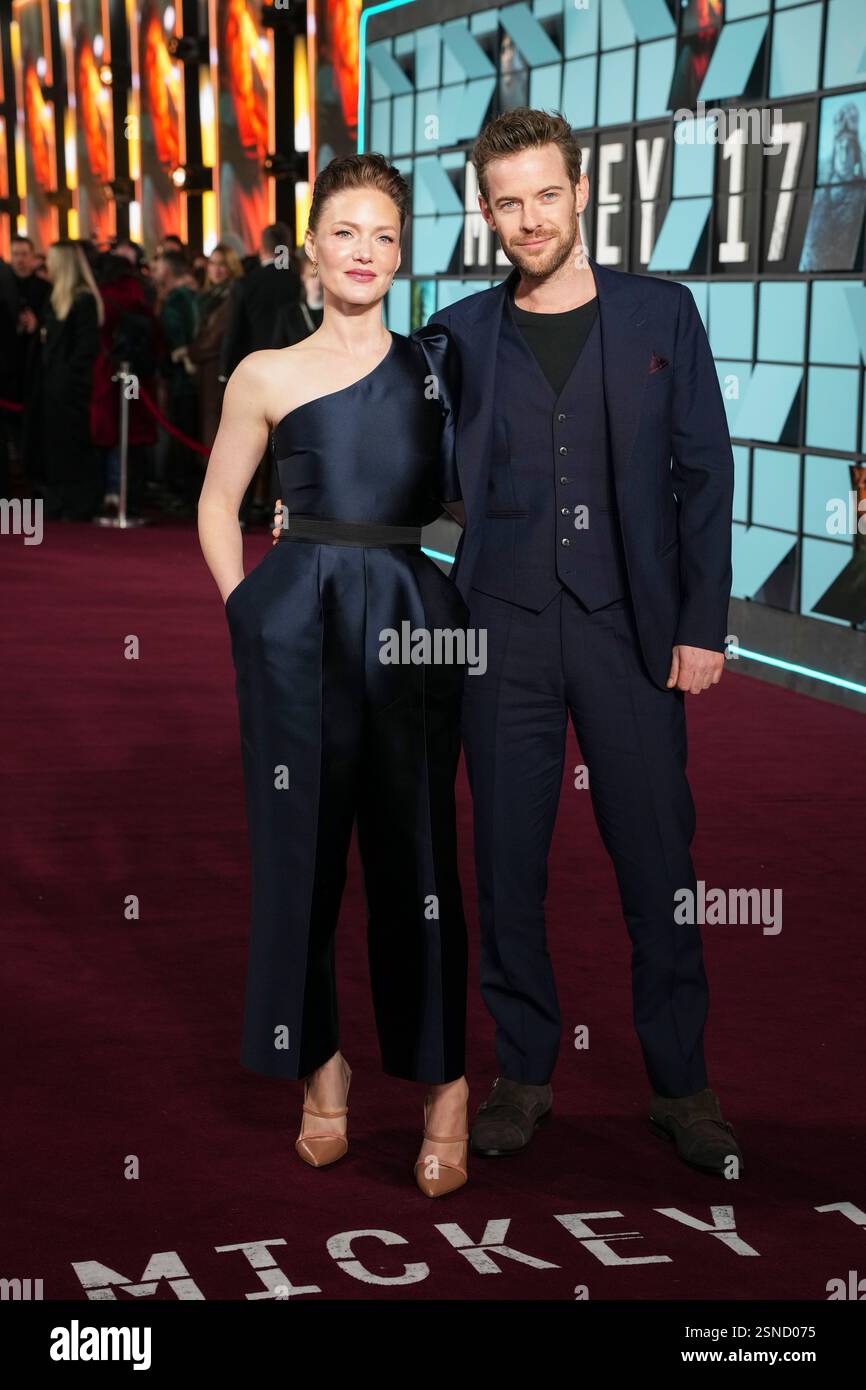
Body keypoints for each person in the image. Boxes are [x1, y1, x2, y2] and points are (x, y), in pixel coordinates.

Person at [427, 108, 741, 1177]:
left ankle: (679, 1085)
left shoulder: (663, 313)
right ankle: (522, 1073)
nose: (527, 218)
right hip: (499, 633)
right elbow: (405, 457)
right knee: (506, 862)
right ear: (486, 210)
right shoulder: (458, 332)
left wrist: (701, 625)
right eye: (506, 201)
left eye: (544, 194)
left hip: (630, 631)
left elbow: (703, 474)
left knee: (658, 857)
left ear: (580, 192)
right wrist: (314, 501)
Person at [198, 153, 471, 1198]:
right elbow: (219, 503)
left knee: (420, 863)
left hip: (411, 618)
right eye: (345, 231)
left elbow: (453, 492)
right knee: (299, 859)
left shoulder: (437, 365)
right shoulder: (263, 371)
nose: (363, 251)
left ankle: (443, 1085)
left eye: (384, 236)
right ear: (310, 246)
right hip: (294, 626)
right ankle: (322, 1073)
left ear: (401, 254)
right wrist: (244, 612)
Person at [24, 240, 103, 521]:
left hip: (69, 391)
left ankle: (77, 502)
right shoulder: (55, 297)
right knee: (53, 446)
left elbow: (86, 349)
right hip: (50, 388)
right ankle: (58, 500)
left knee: (72, 445)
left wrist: (67, 381)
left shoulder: (83, 300)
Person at [91, 251, 158, 518]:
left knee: (109, 438)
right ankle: (132, 502)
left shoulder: (102, 295)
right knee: (135, 440)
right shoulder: (142, 292)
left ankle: (109, 497)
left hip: (109, 374)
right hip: (139, 376)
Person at [152, 248, 201, 513]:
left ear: (168, 271)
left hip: (182, 378)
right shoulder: (196, 295)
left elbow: (175, 337)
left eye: (158, 266)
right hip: (195, 377)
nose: (154, 271)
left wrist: (180, 355)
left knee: (182, 433)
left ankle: (183, 491)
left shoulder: (175, 300)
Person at [187, 243, 244, 450]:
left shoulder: (231, 295)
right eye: (212, 263)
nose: (216, 269)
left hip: (218, 369)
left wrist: (191, 352)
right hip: (205, 369)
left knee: (214, 424)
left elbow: (217, 336)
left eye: (223, 265)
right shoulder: (207, 296)